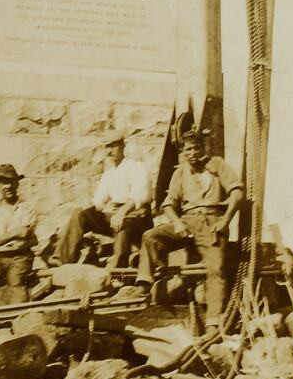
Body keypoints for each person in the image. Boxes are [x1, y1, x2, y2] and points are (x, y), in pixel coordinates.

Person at [138, 130, 244, 315]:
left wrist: (226, 220)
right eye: (188, 150)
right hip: (187, 221)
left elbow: (237, 193)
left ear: (202, 148)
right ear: (183, 152)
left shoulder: (217, 164)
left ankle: (213, 320)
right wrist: (177, 223)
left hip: (212, 222)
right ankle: (145, 282)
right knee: (150, 236)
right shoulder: (180, 173)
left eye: (196, 148)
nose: (192, 153)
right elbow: (168, 204)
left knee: (215, 269)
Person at [53, 132, 151, 268]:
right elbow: (99, 200)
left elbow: (140, 196)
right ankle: (61, 258)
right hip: (116, 215)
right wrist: (88, 207)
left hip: (137, 216)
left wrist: (122, 213)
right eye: (107, 147)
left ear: (123, 146)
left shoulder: (136, 166)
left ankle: (118, 271)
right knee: (79, 214)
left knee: (121, 223)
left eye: (113, 146)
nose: (109, 151)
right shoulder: (109, 174)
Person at [0, 164, 37, 307]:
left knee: (17, 284)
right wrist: (14, 233)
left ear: (17, 183)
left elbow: (25, 235)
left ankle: (17, 321)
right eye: (3, 183)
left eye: (10, 181)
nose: (7, 186)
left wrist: (1, 238)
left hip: (20, 257)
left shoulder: (28, 208)